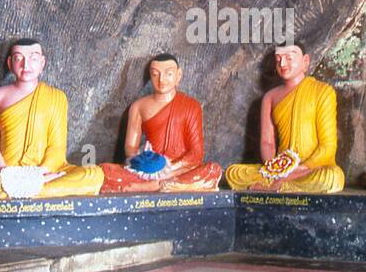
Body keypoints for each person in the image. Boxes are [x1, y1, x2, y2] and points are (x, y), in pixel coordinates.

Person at [0, 38, 104, 199]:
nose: (26, 65)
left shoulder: (57, 97)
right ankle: (33, 191)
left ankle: (20, 190)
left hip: (45, 172)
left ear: (42, 63)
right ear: (10, 63)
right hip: (7, 171)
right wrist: (7, 172)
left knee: (93, 175)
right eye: (19, 58)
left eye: (33, 58)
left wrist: (36, 174)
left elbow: (57, 147)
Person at [224, 42, 344, 193]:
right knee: (234, 173)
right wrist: (273, 169)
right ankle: (279, 184)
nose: (282, 63)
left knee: (331, 178)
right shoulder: (270, 97)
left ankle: (279, 186)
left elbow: (328, 147)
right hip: (281, 167)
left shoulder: (323, 92)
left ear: (305, 62)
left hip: (311, 168)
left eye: (289, 57)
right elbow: (267, 142)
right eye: (279, 58)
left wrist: (299, 169)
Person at [99, 53, 222, 193]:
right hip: (148, 170)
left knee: (212, 170)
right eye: (155, 74)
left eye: (168, 73)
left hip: (178, 170)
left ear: (178, 75)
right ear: (150, 76)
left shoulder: (191, 106)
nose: (161, 80)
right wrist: (144, 163)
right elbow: (130, 147)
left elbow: (196, 153)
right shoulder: (138, 106)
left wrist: (167, 169)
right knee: (105, 171)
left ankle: (154, 185)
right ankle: (163, 185)